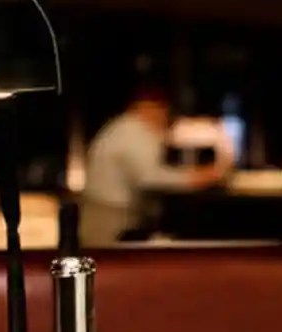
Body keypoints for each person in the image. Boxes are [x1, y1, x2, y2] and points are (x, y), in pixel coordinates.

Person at [80, 86, 227, 246]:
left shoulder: (124, 126)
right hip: (111, 217)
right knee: (112, 260)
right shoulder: (134, 132)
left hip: (108, 212)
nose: (166, 116)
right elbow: (149, 178)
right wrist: (196, 178)